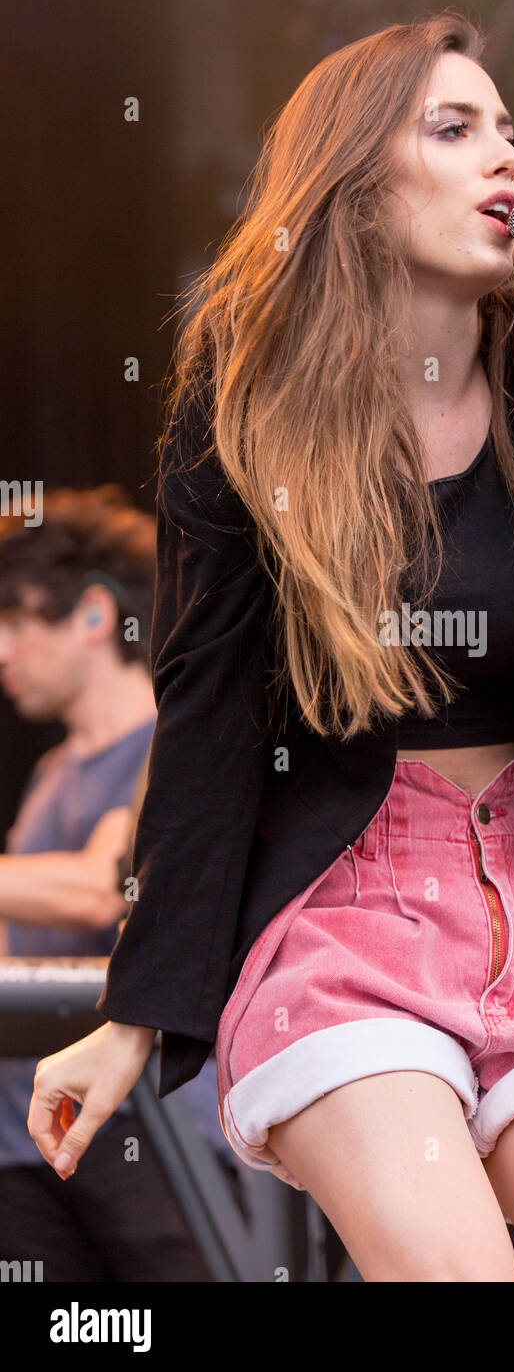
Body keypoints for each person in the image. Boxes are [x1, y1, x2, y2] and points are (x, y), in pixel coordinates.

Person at [26, 12, 514, 1282]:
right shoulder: (245, 416)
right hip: (345, 915)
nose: (506, 162)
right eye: (454, 127)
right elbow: (203, 722)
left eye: (509, 133)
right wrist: (137, 1011)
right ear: (357, 185)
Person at [0, 485, 245, 1280]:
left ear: (95, 617)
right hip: (24, 1131)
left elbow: (101, 888)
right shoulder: (48, 772)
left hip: (141, 1122)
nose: (0, 651)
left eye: (14, 622)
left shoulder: (168, 748)